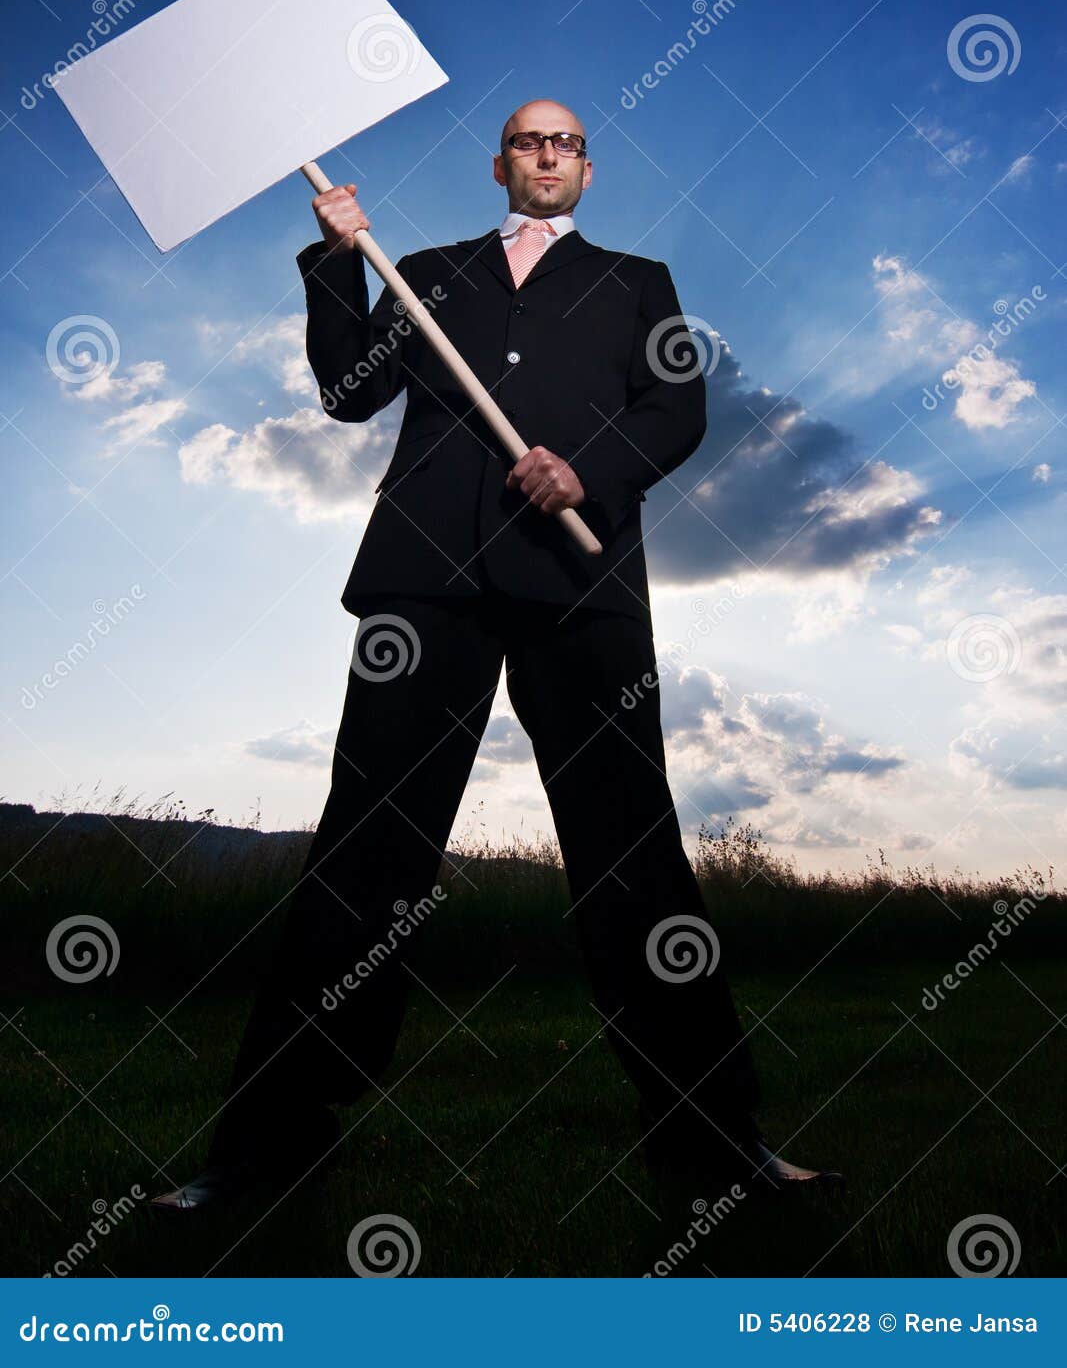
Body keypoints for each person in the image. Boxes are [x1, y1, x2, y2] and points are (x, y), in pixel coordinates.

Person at [151, 99, 839, 1212]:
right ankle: (262, 1154)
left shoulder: (636, 282)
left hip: (582, 586)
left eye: (565, 142)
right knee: (363, 849)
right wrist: (336, 265)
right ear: (498, 163)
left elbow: (677, 406)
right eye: (527, 140)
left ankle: (717, 1144)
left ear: (587, 168)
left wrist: (591, 471)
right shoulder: (420, 268)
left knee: (633, 855)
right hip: (423, 582)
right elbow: (348, 392)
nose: (546, 155)